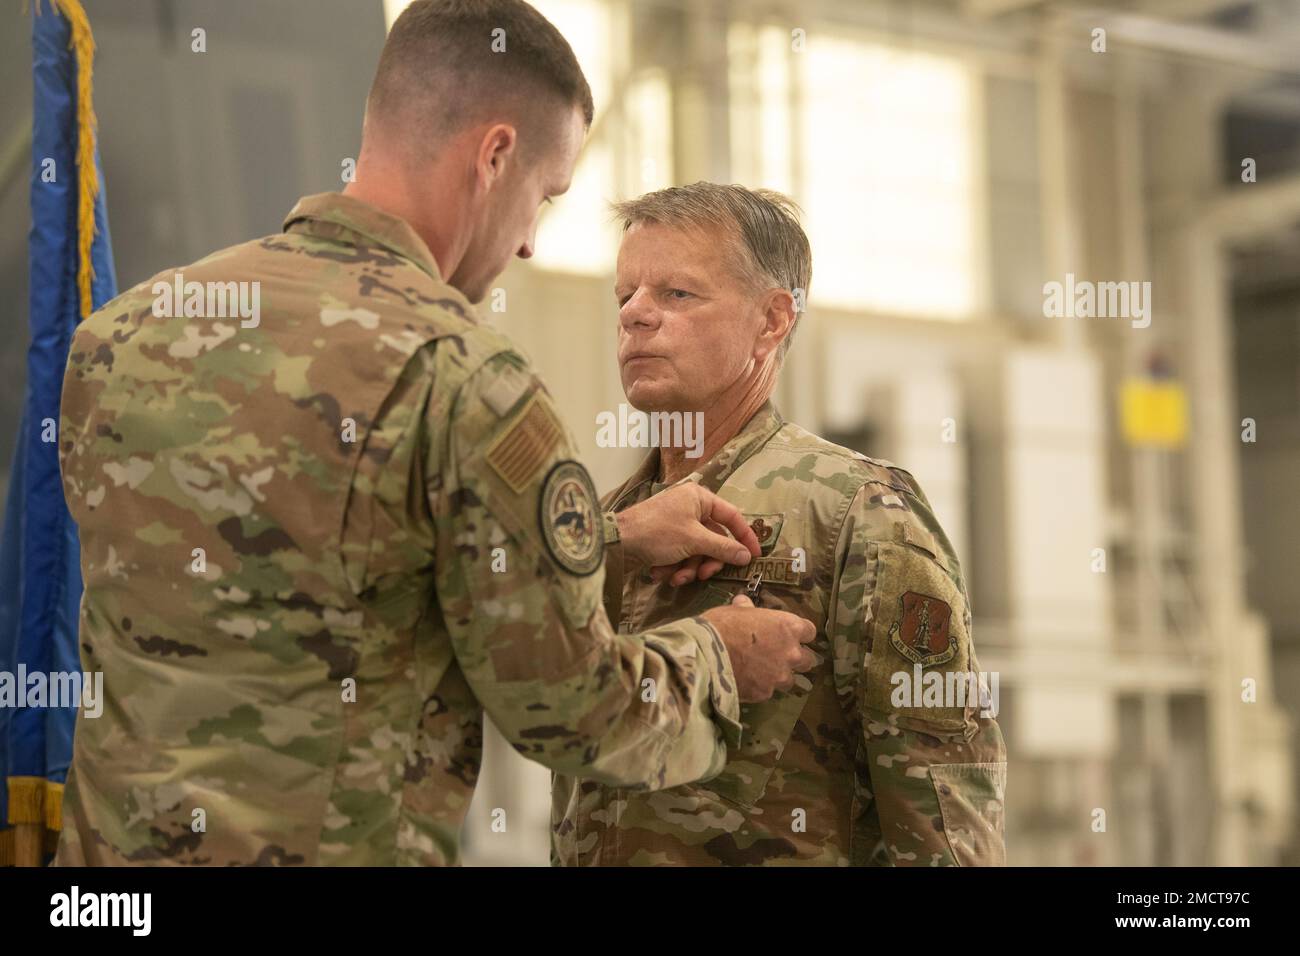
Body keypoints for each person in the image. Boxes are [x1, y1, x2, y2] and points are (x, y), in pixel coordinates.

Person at [53, 0, 814, 867]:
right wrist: (719, 657)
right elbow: (576, 711)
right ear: (494, 157)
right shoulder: (463, 380)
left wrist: (608, 536)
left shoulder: (122, 334)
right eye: (545, 194)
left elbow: (287, 552)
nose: (530, 241)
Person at [551, 183, 1007, 866]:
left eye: (677, 294)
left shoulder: (857, 511)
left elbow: (944, 813)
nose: (636, 316)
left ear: (771, 320)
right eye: (625, 296)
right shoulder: (604, 526)